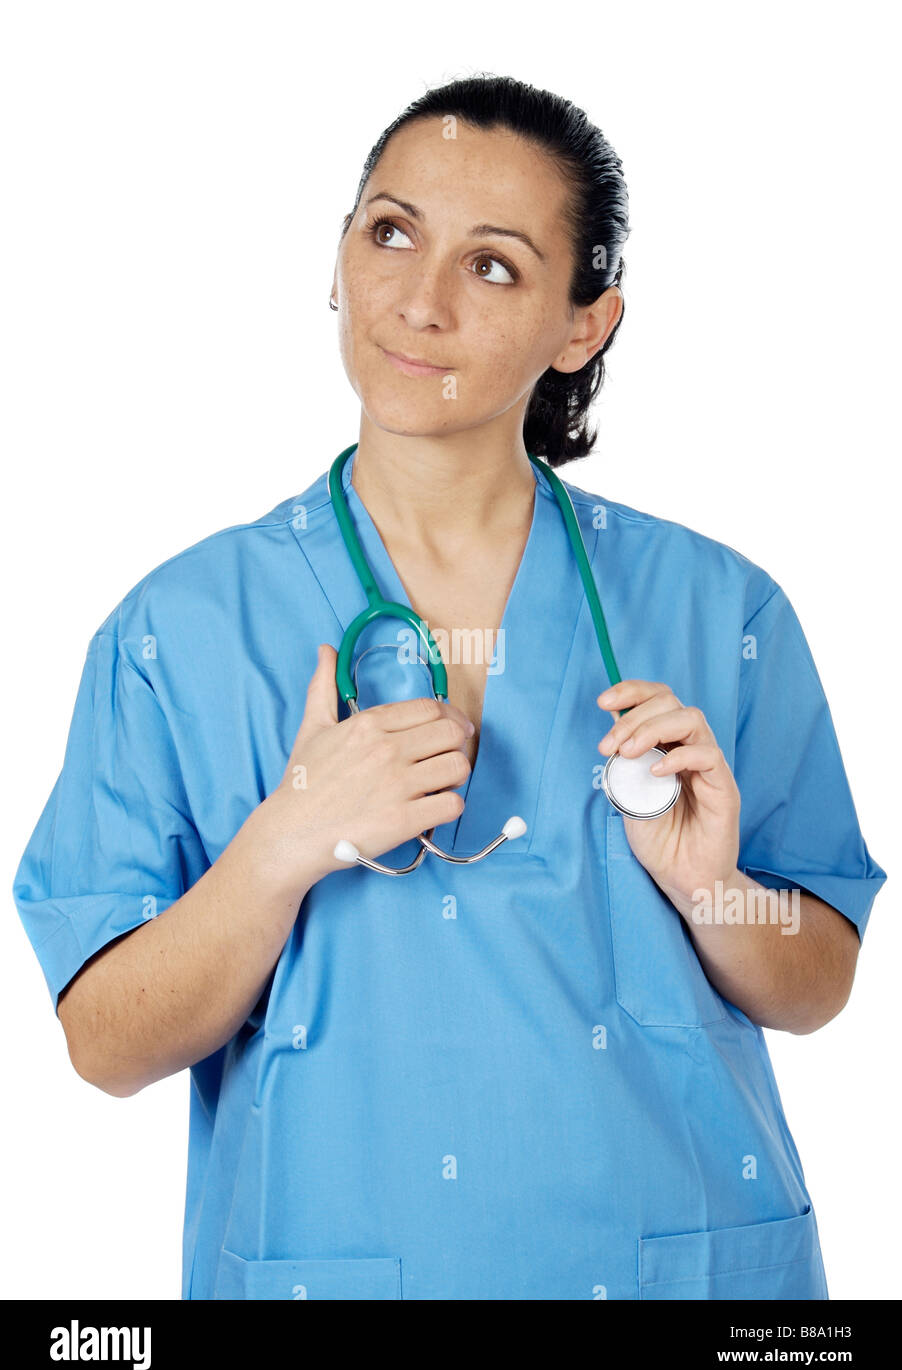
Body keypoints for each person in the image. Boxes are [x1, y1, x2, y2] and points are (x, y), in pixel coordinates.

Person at [13, 74, 886, 1301]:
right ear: (336, 261)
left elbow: (819, 984)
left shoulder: (719, 610)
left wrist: (712, 890)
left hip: (679, 1275)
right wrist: (284, 846)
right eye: (390, 232)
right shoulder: (176, 631)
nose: (417, 301)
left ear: (581, 326)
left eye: (492, 266)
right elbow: (102, 1044)